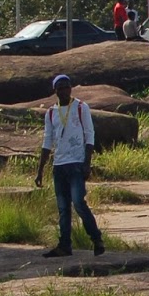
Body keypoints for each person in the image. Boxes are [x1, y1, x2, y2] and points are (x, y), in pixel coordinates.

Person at [34, 75, 105, 258]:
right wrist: (40, 171)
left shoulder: (81, 107)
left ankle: (96, 239)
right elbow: (47, 141)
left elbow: (89, 135)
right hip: (59, 165)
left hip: (76, 164)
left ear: (71, 88)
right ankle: (64, 245)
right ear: (55, 91)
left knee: (79, 203)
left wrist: (87, 163)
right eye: (60, 88)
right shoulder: (51, 112)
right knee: (63, 208)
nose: (64, 91)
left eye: (67, 87)